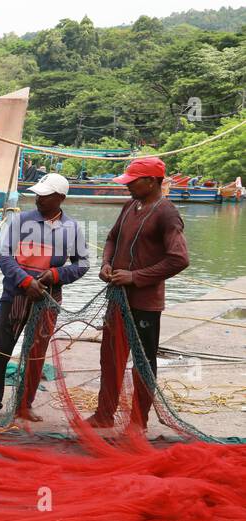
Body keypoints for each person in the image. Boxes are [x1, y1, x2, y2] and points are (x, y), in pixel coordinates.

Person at [87, 156, 189, 430]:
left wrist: (135, 277)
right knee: (110, 357)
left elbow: (179, 259)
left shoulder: (166, 213)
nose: (127, 187)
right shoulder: (131, 205)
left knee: (143, 362)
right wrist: (106, 264)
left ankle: (138, 422)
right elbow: (111, 239)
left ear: (152, 181)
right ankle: (104, 414)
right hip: (117, 299)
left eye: (133, 182)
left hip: (144, 303)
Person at [0, 173, 89, 423]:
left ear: (61, 198)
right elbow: (5, 257)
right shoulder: (20, 221)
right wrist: (25, 281)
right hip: (14, 296)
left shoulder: (71, 228)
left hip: (48, 300)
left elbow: (82, 264)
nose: (39, 198)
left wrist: (56, 274)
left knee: (36, 353)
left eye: (46, 195)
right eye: (38, 194)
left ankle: (24, 405)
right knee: (0, 349)